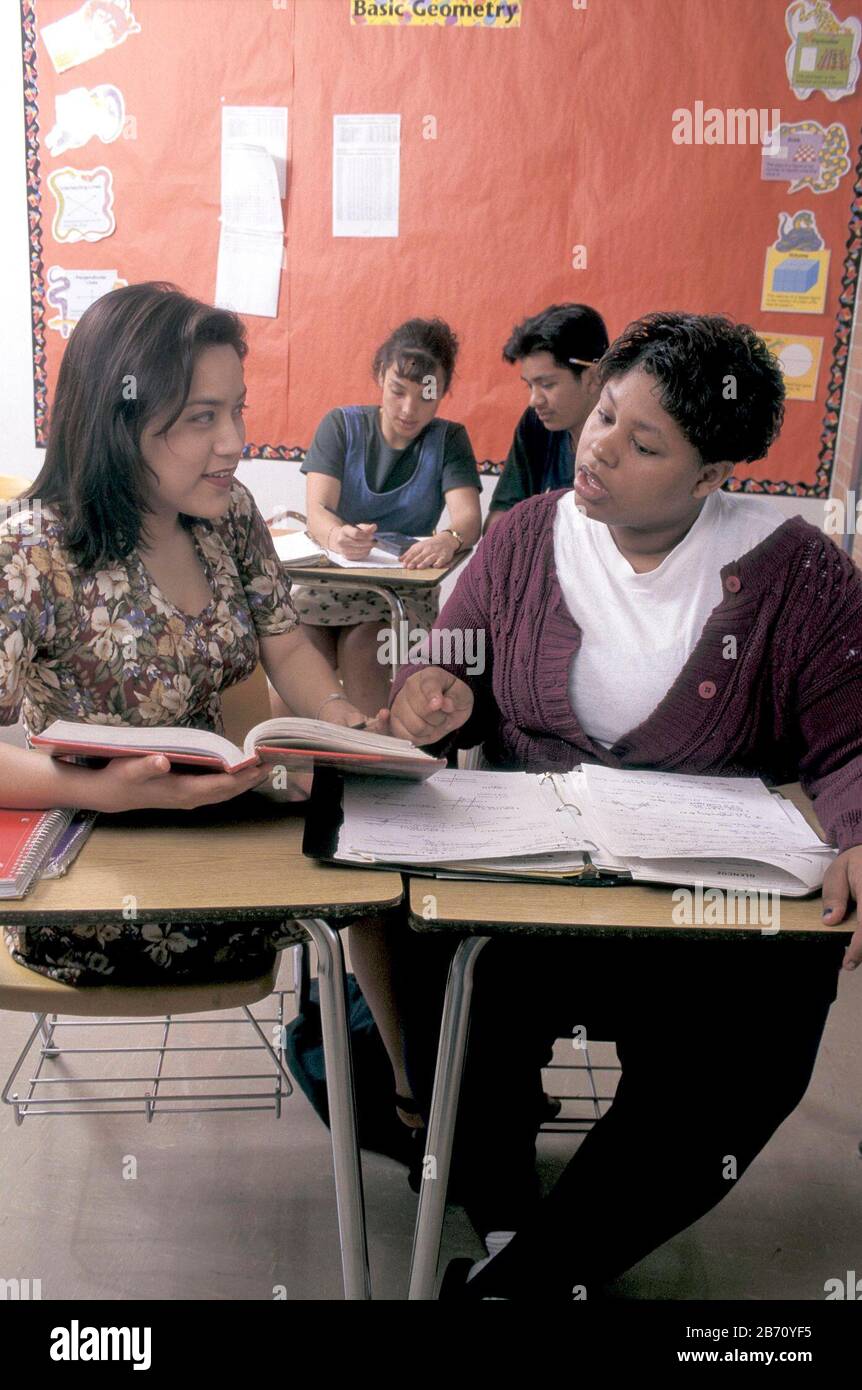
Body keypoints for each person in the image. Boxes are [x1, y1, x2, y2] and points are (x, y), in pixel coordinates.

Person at [387, 311, 862, 1299]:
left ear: (708, 475)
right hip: (533, 891)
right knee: (378, 1006)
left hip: (696, 907)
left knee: (765, 1018)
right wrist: (434, 692)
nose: (599, 447)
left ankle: (529, 1275)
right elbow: (448, 668)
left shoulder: (795, 570)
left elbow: (850, 737)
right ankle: (511, 1210)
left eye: (642, 443)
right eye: (604, 415)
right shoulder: (523, 539)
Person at [0, 282, 379, 986]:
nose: (235, 442)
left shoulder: (228, 513)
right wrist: (108, 792)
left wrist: (338, 720)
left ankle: (393, 1085)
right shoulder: (32, 552)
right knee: (366, 900)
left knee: (392, 870)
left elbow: (286, 641)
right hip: (96, 883)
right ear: (120, 421)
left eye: (237, 409)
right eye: (201, 417)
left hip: (223, 827)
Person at [291, 318, 482, 717]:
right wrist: (337, 535)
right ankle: (295, 769)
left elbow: (467, 520)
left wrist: (447, 538)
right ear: (380, 376)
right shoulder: (340, 426)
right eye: (398, 392)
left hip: (400, 595)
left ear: (443, 392)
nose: (409, 409)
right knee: (294, 651)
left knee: (368, 646)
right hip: (330, 585)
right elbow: (317, 512)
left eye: (426, 395)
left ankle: (368, 764)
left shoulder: (449, 440)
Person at [484, 302, 608, 532]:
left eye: (547, 385)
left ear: (593, 376)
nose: (534, 400)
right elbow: (499, 519)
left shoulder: (628, 438)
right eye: (530, 386)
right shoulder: (535, 425)